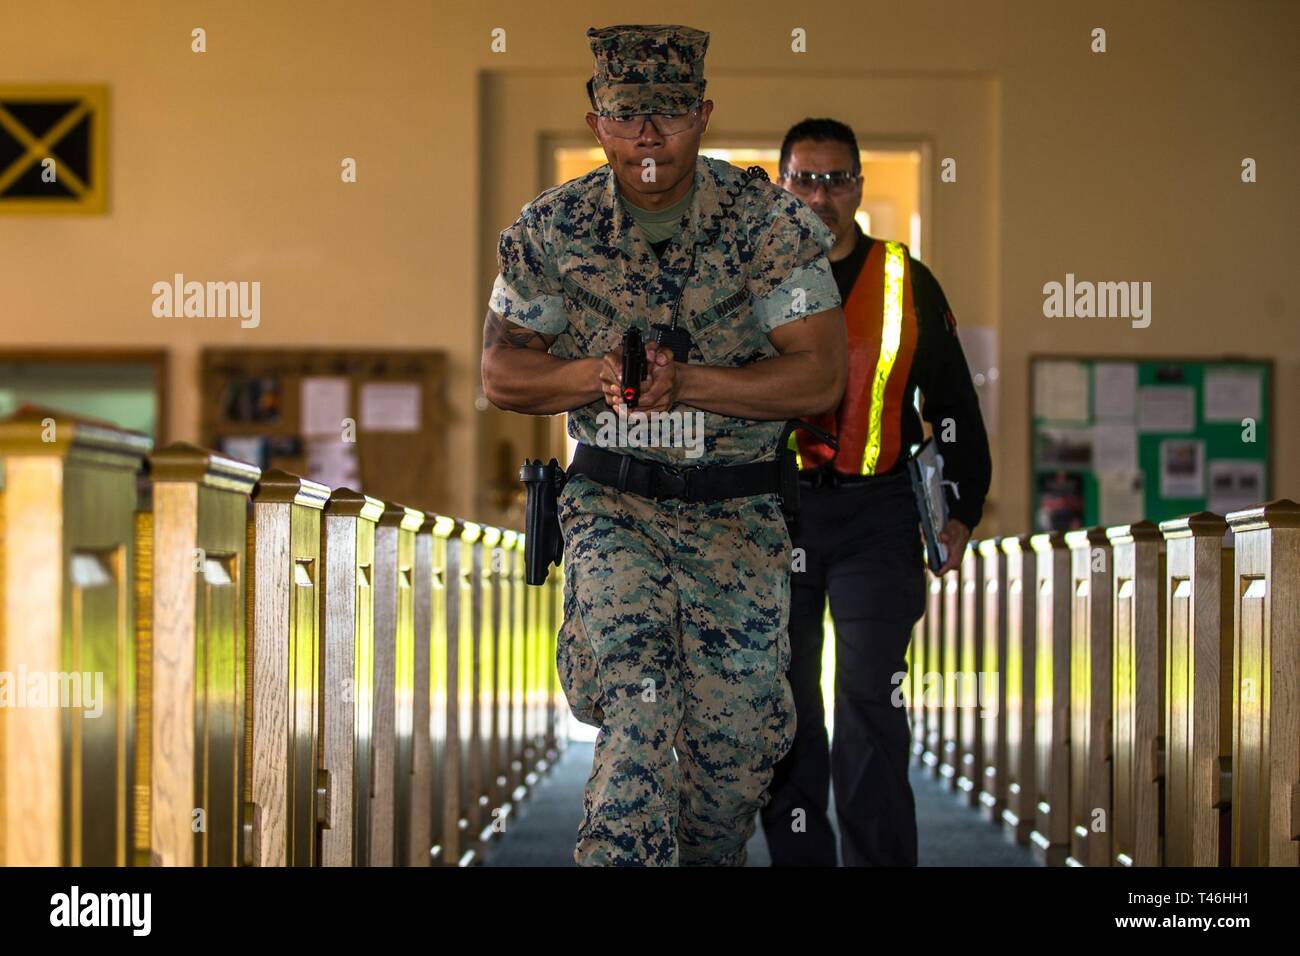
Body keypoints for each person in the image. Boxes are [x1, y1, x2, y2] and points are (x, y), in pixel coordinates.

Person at [480, 25, 847, 866]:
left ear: (704, 115)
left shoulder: (769, 224)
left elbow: (819, 378)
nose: (648, 133)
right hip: (615, 510)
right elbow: (502, 374)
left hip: (738, 517)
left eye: (670, 113)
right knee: (638, 707)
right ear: (596, 121)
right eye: (626, 114)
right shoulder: (553, 227)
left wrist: (691, 384)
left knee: (738, 751)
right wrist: (594, 376)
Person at [758, 118, 991, 866]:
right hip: (778, 518)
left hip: (878, 518)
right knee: (787, 708)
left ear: (858, 186)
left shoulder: (905, 279)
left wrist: (960, 510)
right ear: (781, 181)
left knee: (871, 702)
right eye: (805, 178)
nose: (820, 195)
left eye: (835, 180)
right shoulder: (750, 277)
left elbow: (953, 404)